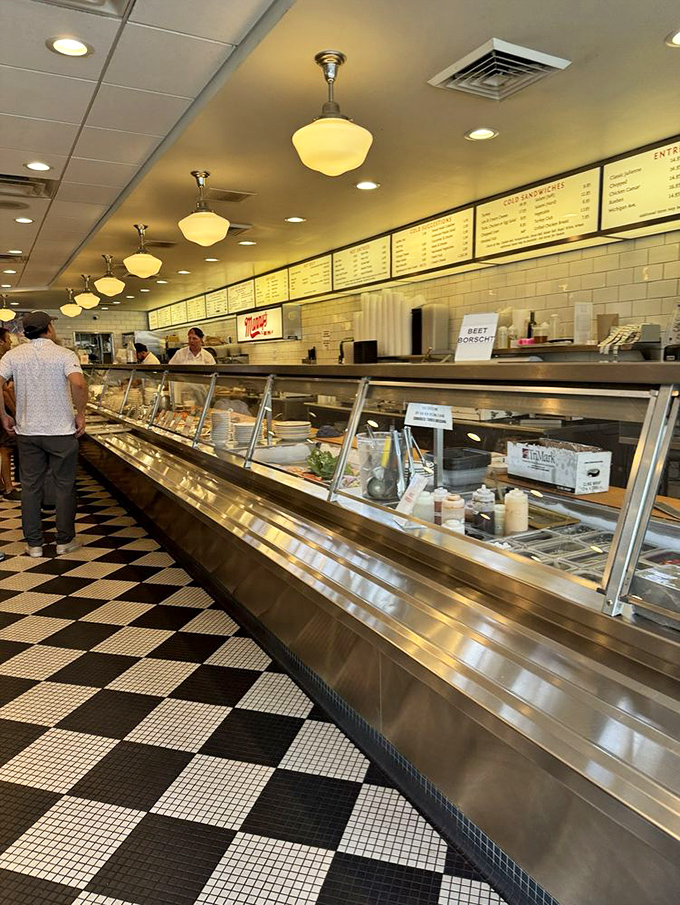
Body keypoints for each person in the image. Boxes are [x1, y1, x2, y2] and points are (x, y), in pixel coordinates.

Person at [0, 311, 87, 557]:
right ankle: (64, 541)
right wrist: (81, 413)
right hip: (61, 432)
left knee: (30, 488)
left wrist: (3, 414)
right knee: (64, 486)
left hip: (27, 432)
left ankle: (34, 544)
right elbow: (78, 383)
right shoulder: (65, 354)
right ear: (49, 328)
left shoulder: (13, 355)